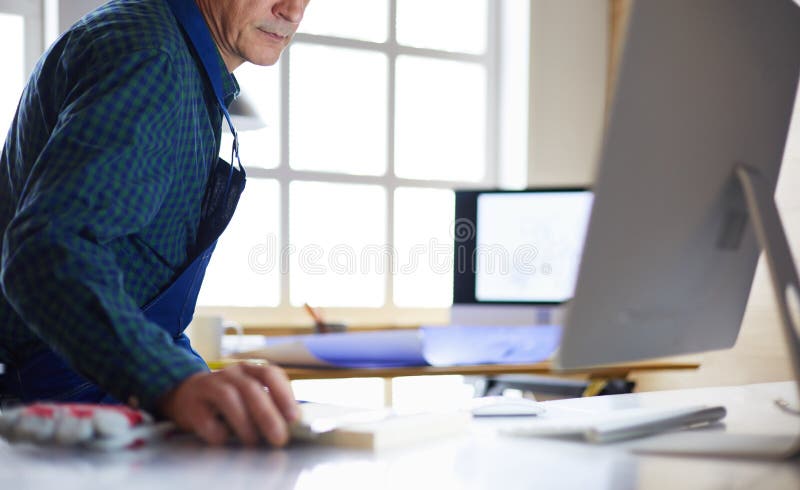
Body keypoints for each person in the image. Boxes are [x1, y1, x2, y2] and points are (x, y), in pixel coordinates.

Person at [0, 0, 309, 447]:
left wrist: (198, 381)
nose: (293, 11)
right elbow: (47, 250)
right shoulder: (152, 57)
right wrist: (170, 378)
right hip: (63, 400)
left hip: (102, 391)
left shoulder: (177, 55)